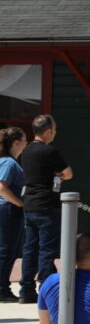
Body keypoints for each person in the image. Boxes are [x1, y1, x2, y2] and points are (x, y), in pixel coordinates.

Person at [18, 114, 72, 306]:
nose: (55, 133)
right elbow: (68, 173)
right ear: (48, 131)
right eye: (54, 130)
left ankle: (26, 290)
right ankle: (47, 289)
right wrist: (59, 174)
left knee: (29, 248)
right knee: (47, 249)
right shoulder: (50, 151)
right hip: (47, 205)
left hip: (29, 204)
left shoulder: (26, 151)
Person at [0, 127, 26, 303]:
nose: (26, 143)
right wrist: (20, 203)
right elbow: (2, 187)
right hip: (8, 209)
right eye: (24, 140)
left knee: (9, 251)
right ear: (16, 143)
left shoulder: (9, 161)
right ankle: (2, 289)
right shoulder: (8, 163)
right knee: (6, 251)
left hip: (8, 209)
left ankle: (3, 287)